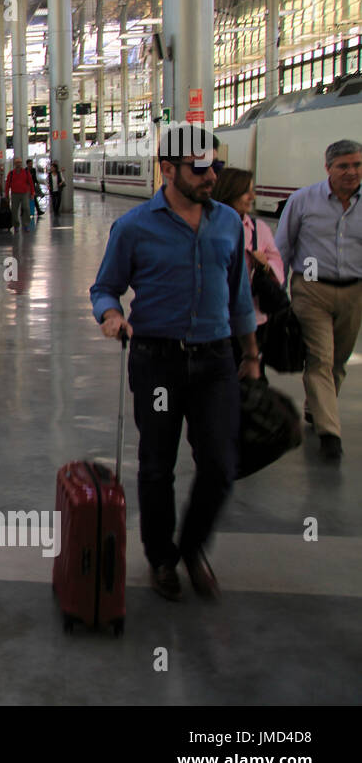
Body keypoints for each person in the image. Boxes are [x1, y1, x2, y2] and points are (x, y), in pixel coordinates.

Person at [90, 124, 259, 603]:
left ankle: (193, 546)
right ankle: (162, 557)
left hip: (215, 360)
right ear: (168, 170)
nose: (212, 177)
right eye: (201, 168)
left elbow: (239, 297)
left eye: (216, 167)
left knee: (221, 465)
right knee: (157, 465)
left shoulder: (227, 222)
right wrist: (111, 314)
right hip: (156, 361)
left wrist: (251, 355)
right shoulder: (135, 226)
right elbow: (105, 286)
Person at [273, 139, 362, 461]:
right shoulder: (303, 201)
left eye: (357, 165)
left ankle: (317, 407)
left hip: (354, 291)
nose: (351, 172)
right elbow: (282, 247)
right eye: (343, 166)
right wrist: (276, 291)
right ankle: (330, 433)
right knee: (320, 359)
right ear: (328, 169)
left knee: (338, 360)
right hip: (311, 289)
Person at [212, 167, 285, 369]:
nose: (252, 197)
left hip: (253, 320)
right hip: (214, 321)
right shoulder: (207, 225)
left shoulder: (259, 228)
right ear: (230, 191)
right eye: (246, 191)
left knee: (250, 386)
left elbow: (279, 268)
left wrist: (265, 265)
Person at [5, 159, 34, 232]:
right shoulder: (11, 173)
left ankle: (26, 224)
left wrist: (32, 193)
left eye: (20, 162)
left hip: (24, 193)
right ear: (14, 164)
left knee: (26, 208)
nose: (18, 164)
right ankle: (16, 225)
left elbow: (31, 183)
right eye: (17, 163)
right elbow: (7, 185)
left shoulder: (26, 172)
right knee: (14, 210)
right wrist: (6, 195)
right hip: (15, 194)